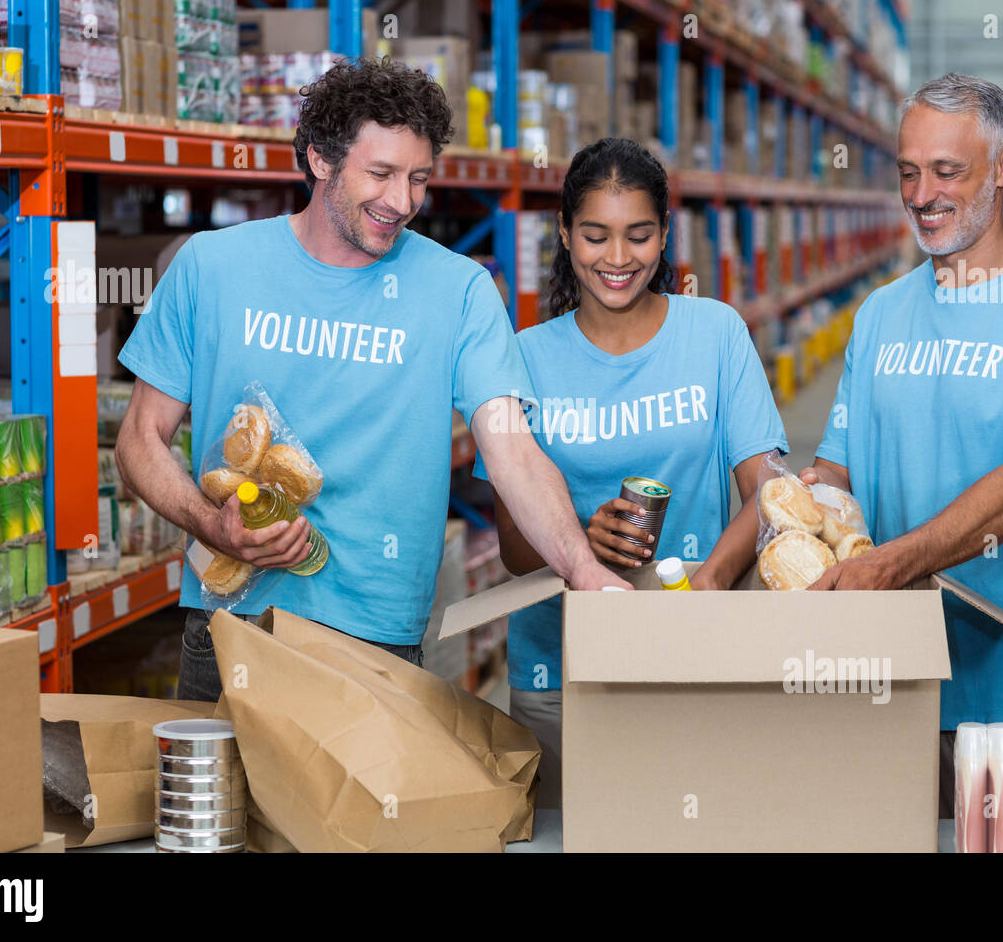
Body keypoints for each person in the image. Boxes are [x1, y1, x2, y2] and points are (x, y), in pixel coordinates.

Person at [115, 58, 627, 702]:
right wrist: (211, 525)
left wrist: (582, 567)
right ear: (320, 160)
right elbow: (137, 443)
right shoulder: (211, 268)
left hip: (377, 640)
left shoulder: (459, 290)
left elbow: (513, 451)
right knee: (221, 803)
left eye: (418, 179)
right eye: (380, 174)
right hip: (230, 625)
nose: (403, 202)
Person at [799, 74, 1003, 815]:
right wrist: (750, 536)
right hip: (897, 687)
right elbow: (833, 474)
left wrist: (887, 564)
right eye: (909, 172)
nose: (922, 194)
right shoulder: (880, 315)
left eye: (948, 171)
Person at [473, 138, 789, 809]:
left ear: (665, 234)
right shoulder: (521, 359)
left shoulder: (716, 334)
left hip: (703, 654)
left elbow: (769, 494)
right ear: (563, 233)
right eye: (594, 235)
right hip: (563, 671)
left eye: (639, 235)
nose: (617, 259)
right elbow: (511, 548)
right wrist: (580, 541)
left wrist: (708, 583)